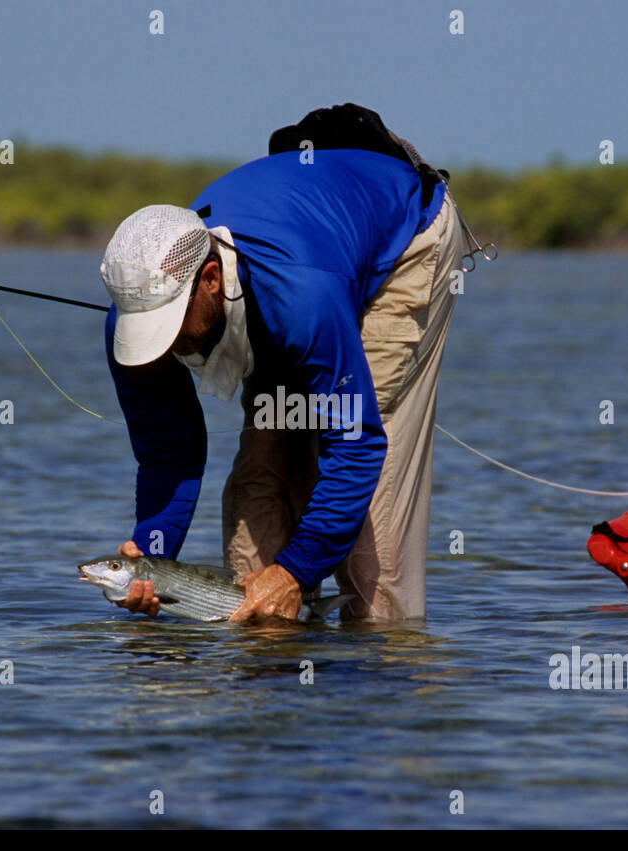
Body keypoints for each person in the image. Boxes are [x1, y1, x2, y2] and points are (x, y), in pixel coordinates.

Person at [100, 106, 468, 624]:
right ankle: (271, 683)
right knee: (261, 492)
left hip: (402, 242)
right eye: (149, 329)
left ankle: (388, 674)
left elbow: (356, 446)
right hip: (294, 261)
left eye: (171, 323)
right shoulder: (133, 310)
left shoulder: (303, 299)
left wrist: (293, 571)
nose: (163, 347)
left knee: (368, 528)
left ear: (210, 279)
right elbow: (169, 457)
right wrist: (151, 556)